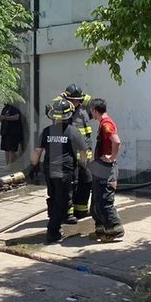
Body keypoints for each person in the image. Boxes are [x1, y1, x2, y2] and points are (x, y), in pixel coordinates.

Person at [29, 98, 87, 244]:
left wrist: (33, 166)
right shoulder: (74, 132)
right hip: (65, 172)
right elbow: (84, 153)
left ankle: (53, 222)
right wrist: (82, 165)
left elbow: (37, 152)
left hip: (48, 171)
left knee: (53, 197)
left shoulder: (46, 131)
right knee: (62, 202)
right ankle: (53, 231)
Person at [56, 84, 94, 223]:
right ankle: (68, 213)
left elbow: (95, 102)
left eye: (78, 100)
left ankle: (82, 211)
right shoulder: (63, 111)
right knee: (71, 185)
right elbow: (50, 107)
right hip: (70, 157)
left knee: (86, 183)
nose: (76, 102)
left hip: (85, 157)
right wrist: (62, 98)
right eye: (73, 100)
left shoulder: (85, 110)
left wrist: (82, 97)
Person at [88, 98, 124, 241]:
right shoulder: (103, 124)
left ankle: (114, 230)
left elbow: (116, 141)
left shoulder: (106, 124)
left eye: (91, 110)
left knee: (104, 202)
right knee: (96, 202)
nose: (91, 113)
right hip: (100, 167)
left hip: (106, 168)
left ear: (95, 110)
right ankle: (101, 230)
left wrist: (112, 157)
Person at [0, 102, 24, 166]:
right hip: (5, 132)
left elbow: (16, 117)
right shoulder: (5, 108)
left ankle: (10, 165)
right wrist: (1, 118)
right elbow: (2, 118)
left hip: (13, 132)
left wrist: (5, 118)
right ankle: (7, 165)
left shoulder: (15, 108)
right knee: (6, 149)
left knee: (12, 150)